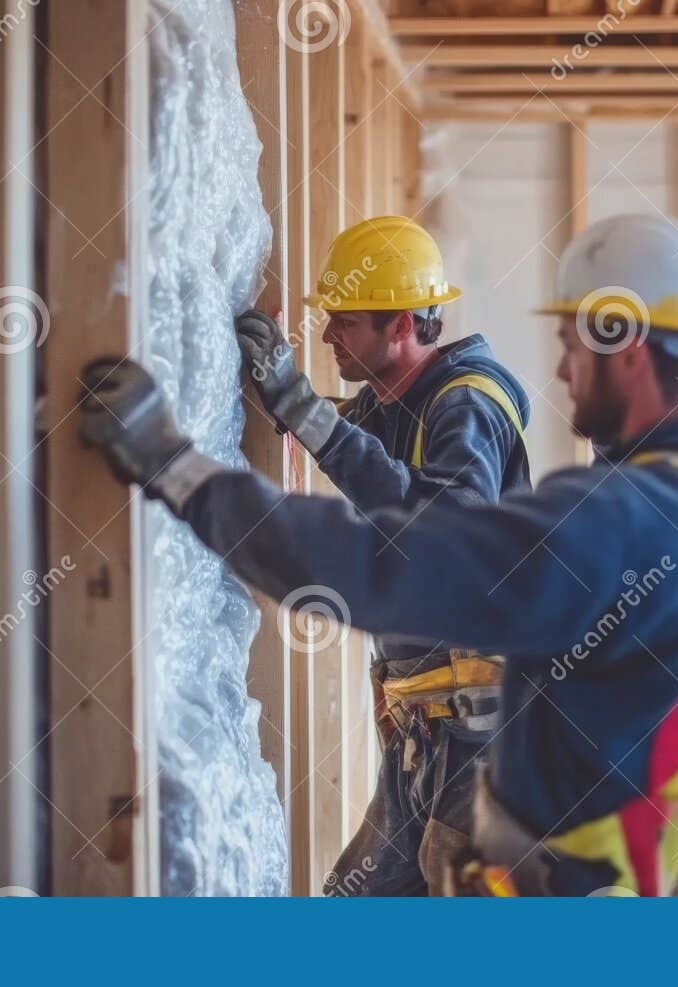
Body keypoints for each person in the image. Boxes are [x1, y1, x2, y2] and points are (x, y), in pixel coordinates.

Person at [78, 213, 678, 896]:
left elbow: (388, 563)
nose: (561, 373)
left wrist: (180, 470)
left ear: (627, 349)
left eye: (572, 347)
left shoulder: (623, 521)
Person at [233, 215, 532, 896]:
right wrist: (281, 393)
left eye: (347, 322)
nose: (329, 334)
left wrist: (305, 408)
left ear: (401, 325)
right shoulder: (393, 403)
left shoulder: (468, 404)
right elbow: (348, 437)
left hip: (482, 740)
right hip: (425, 732)